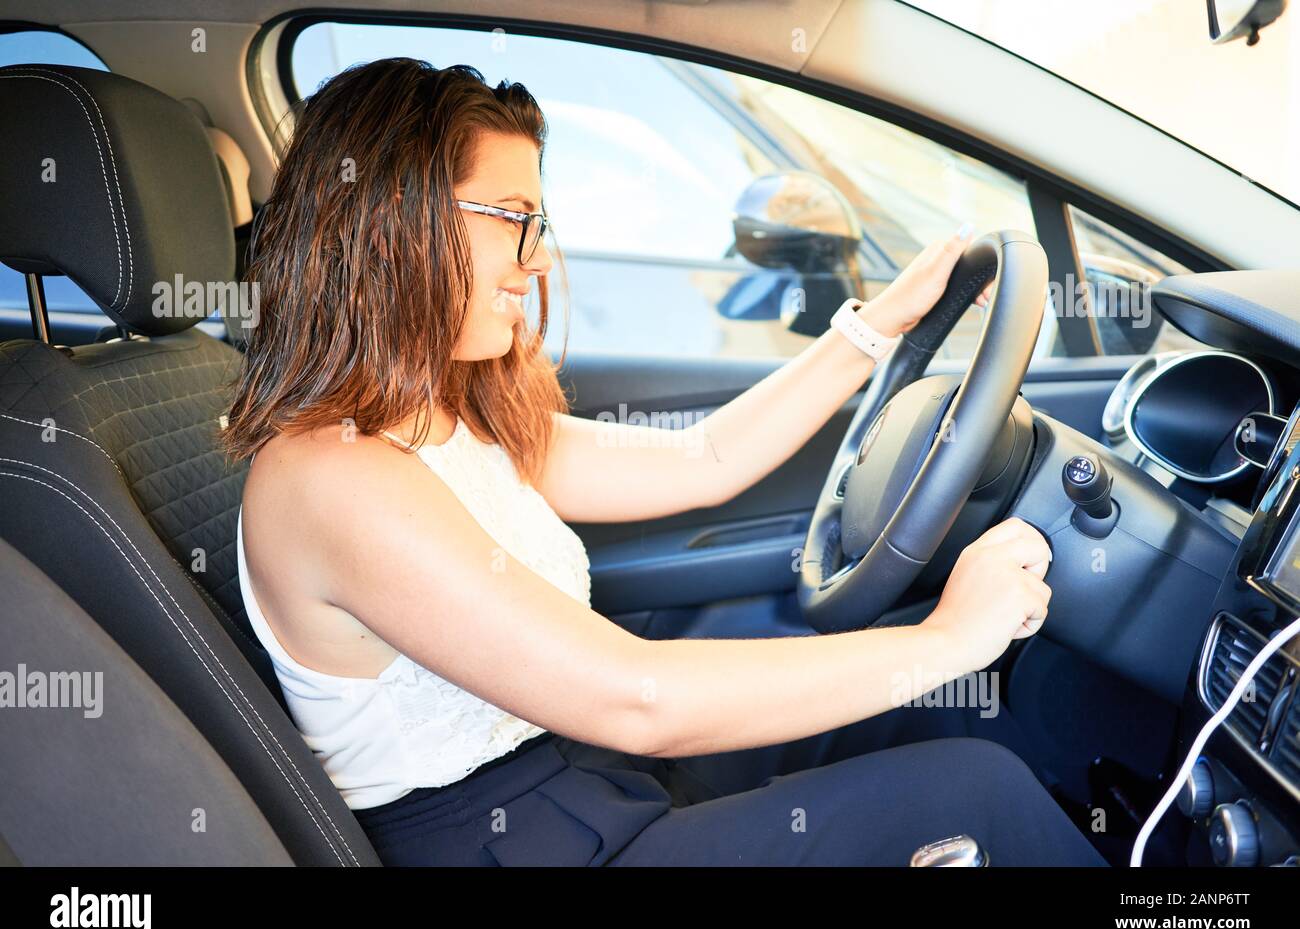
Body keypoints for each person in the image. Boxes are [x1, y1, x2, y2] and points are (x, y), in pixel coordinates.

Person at [222, 57, 1105, 867]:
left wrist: (882, 321)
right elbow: (637, 697)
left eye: (541, 224)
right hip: (515, 843)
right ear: (391, 221)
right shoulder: (329, 475)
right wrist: (945, 637)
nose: (535, 262)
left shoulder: (449, 413)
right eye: (514, 220)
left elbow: (704, 456)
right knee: (970, 795)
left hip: (591, 780)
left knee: (932, 720)